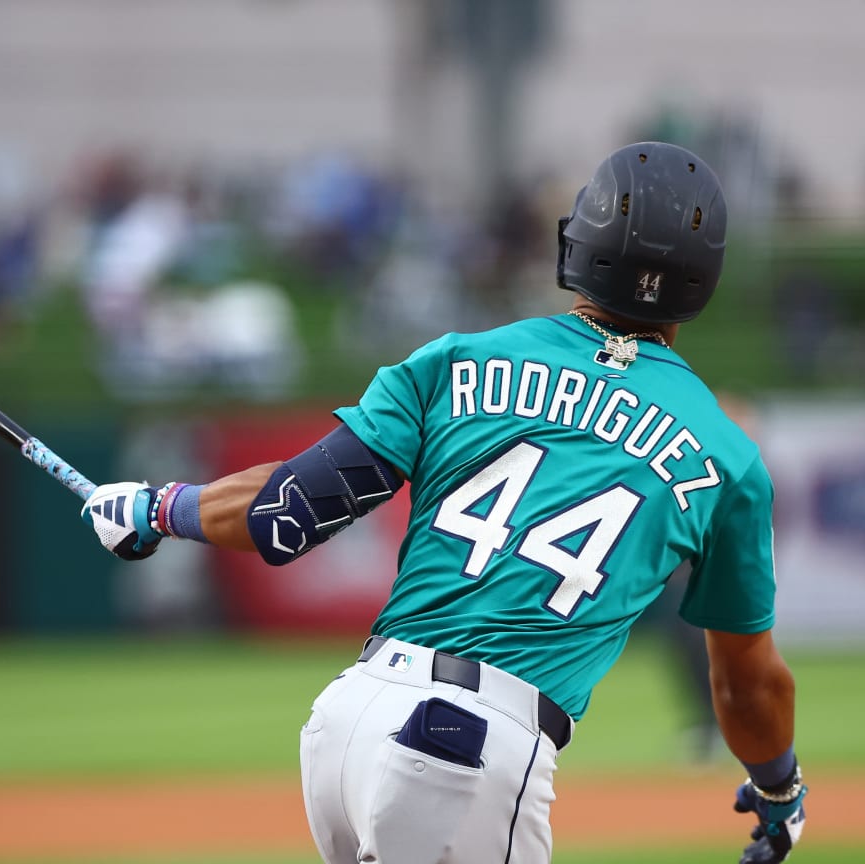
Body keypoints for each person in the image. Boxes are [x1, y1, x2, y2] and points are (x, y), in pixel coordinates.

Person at [79, 142, 806, 864]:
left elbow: (287, 511)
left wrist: (156, 507)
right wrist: (778, 792)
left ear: (579, 242)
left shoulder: (455, 358)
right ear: (705, 276)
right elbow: (746, 687)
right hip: (468, 754)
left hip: (347, 724)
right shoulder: (727, 454)